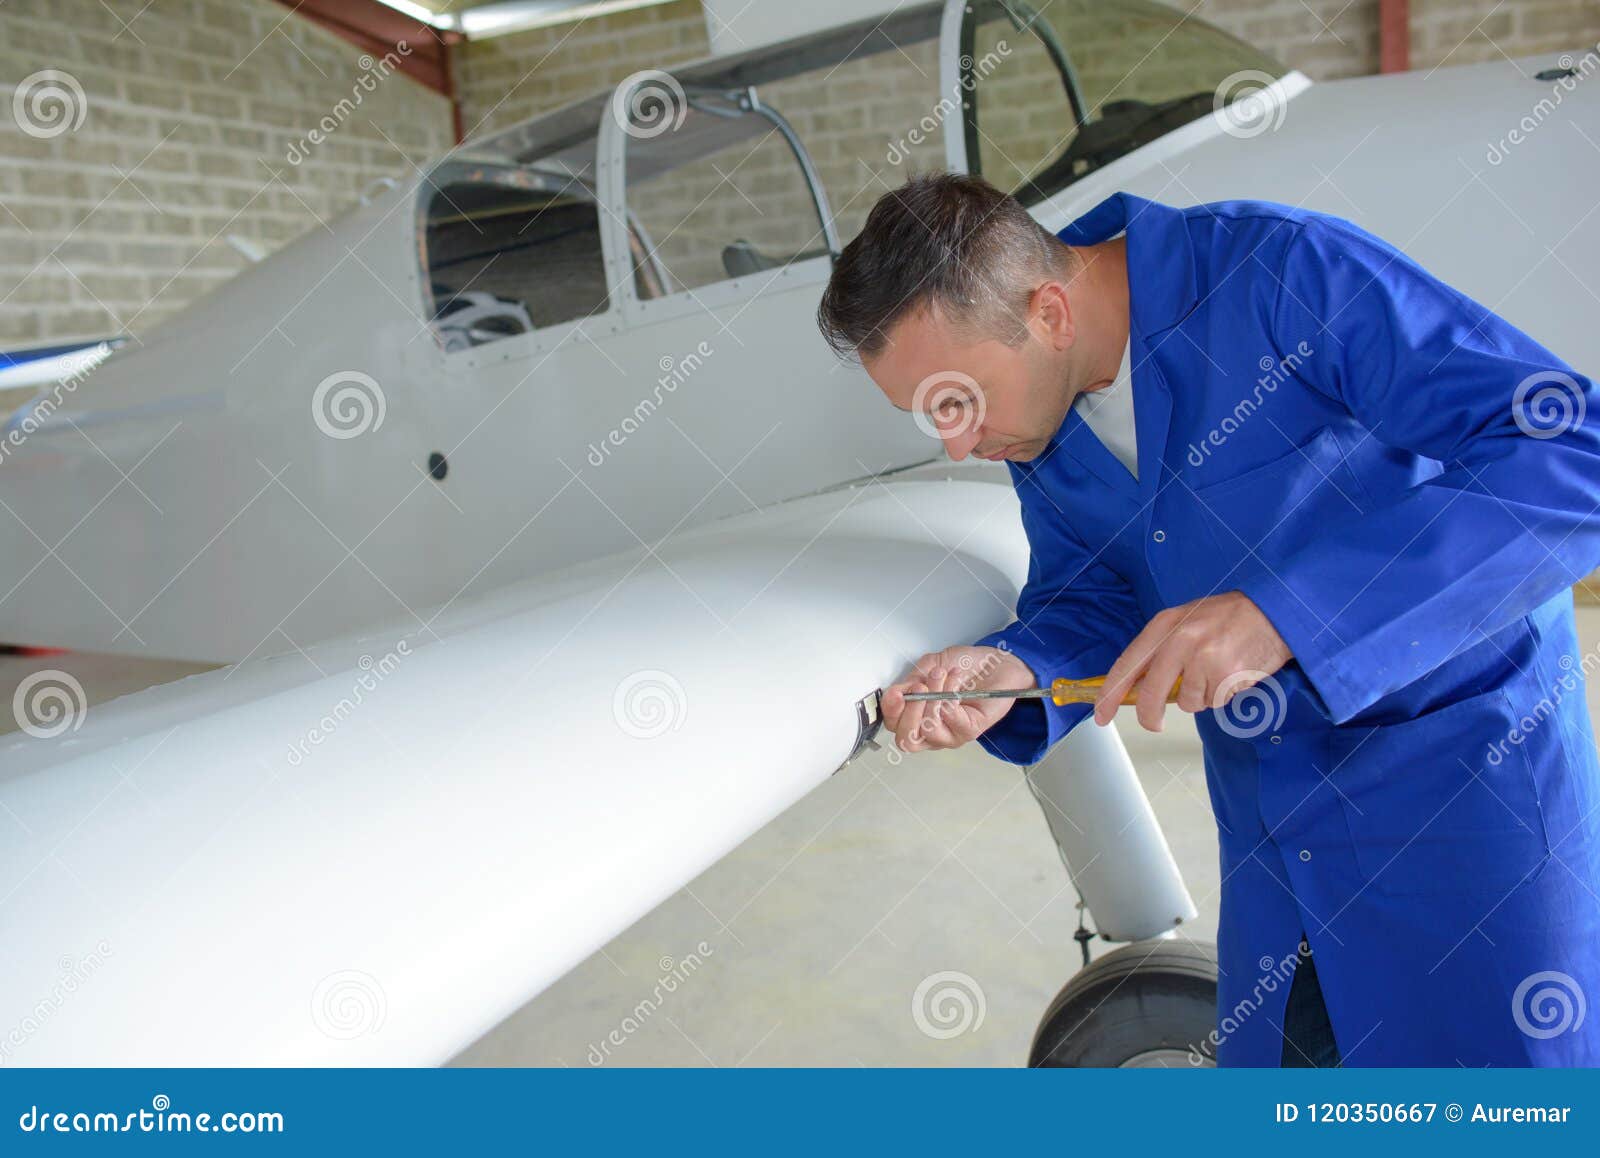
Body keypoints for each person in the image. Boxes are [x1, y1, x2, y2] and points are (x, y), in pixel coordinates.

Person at [816, 171, 1600, 1067]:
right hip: (1280, 836)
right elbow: (1102, 587)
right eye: (929, 414)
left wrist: (1283, 615)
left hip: (1462, 803)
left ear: (1050, 314)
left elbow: (1571, 455)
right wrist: (1018, 668)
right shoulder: (1034, 407)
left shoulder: (1283, 274)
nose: (955, 443)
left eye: (960, 401)